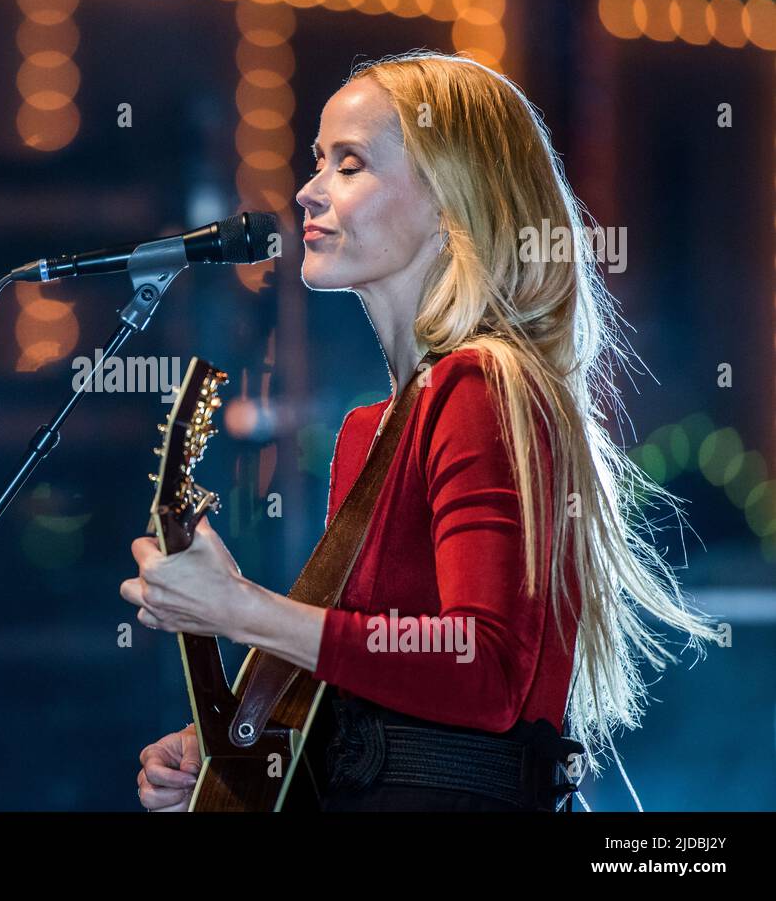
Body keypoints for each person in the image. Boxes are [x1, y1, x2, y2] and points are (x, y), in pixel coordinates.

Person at [121, 50, 722, 812]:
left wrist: (242, 608)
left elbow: (484, 668)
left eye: (350, 165)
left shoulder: (480, 387)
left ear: (451, 203)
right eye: (317, 162)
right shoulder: (373, 428)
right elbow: (387, 696)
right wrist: (233, 749)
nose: (307, 191)